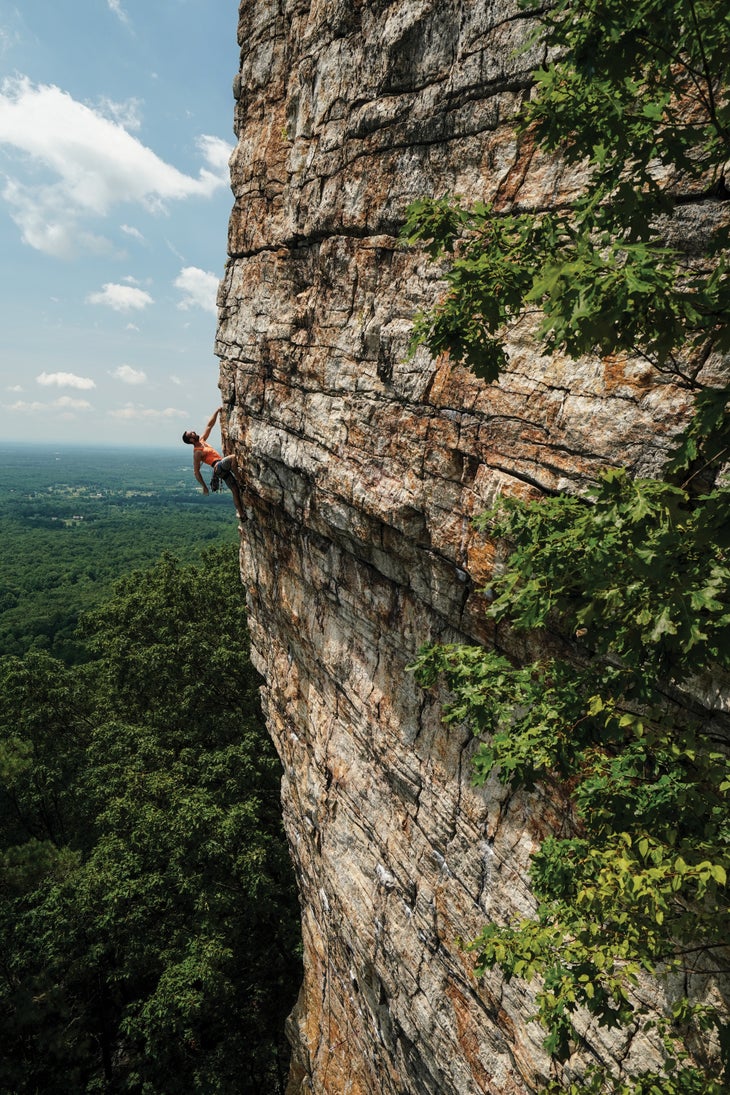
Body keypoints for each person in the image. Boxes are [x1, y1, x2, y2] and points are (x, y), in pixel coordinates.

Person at [182, 407, 244, 520]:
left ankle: (241, 513)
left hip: (220, 469)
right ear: (191, 440)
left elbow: (209, 426)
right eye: (191, 433)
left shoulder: (202, 441)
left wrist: (217, 411)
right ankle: (240, 479)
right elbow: (196, 472)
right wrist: (204, 487)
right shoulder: (197, 452)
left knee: (235, 490)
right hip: (218, 467)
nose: (194, 432)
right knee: (233, 457)